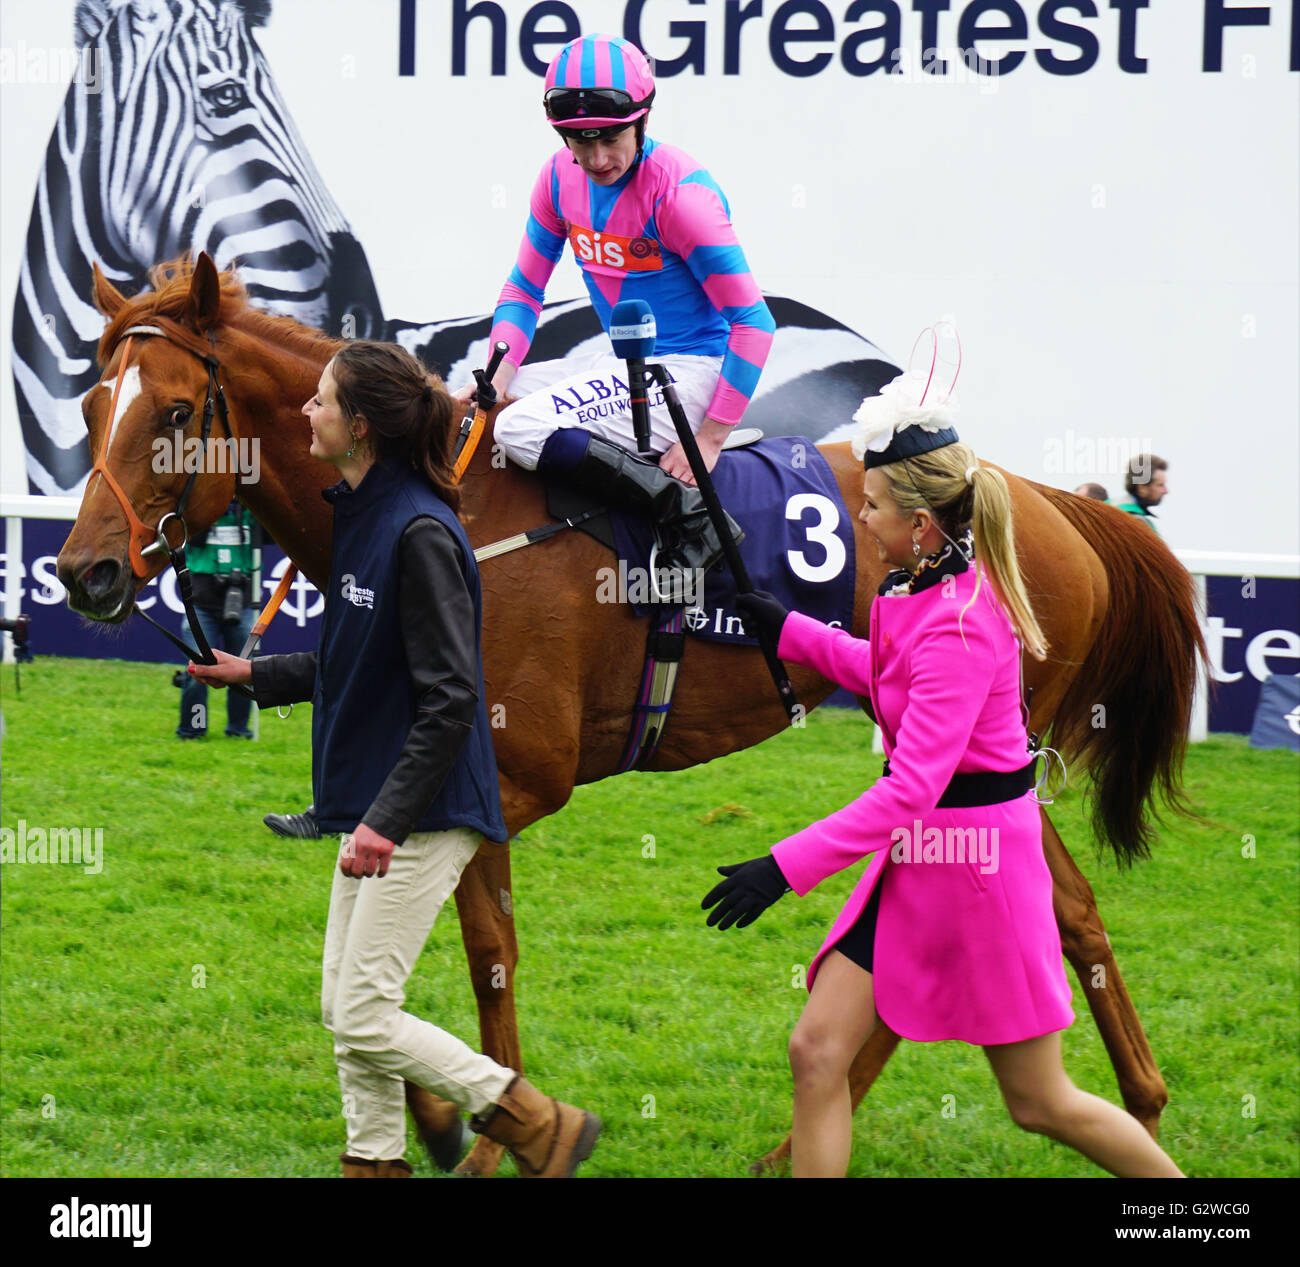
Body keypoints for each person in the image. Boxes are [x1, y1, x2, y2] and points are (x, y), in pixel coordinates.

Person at [707, 369, 1184, 1179]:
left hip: (977, 876)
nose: (861, 515)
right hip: (922, 858)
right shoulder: (922, 589)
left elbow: (910, 787)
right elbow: (887, 671)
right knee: (816, 1051)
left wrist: (781, 867)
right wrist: (786, 626)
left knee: (1040, 1102)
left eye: (874, 506)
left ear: (921, 523)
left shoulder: (961, 624)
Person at [189, 340, 601, 1178]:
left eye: (322, 401)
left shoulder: (418, 531)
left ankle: (534, 1119)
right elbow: (358, 657)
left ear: (362, 425)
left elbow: (452, 698)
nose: (307, 410)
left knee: (365, 1011)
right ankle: (372, 1162)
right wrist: (255, 674)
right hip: (377, 801)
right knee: (343, 1005)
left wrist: (384, 821)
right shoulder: (365, 514)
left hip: (424, 809)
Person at [458, 32, 774, 578]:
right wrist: (500, 372)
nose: (598, 158)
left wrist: (710, 438)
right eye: (580, 142)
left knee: (518, 430)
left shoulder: (680, 198)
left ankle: (692, 516)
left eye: (612, 138)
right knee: (468, 410)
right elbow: (523, 291)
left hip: (694, 373)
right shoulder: (558, 180)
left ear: (642, 120)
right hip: (623, 367)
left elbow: (754, 323)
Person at [174, 500, 258, 739]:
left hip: (241, 603)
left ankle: (238, 729)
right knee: (197, 671)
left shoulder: (248, 514)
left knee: (244, 672)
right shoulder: (194, 513)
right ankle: (193, 730)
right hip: (201, 605)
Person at [1112, 453, 1168, 531]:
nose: (1166, 491)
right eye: (1160, 485)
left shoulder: (1110, 506)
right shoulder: (1135, 521)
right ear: (1142, 488)